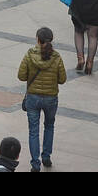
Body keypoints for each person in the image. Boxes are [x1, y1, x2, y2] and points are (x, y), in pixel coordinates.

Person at [17, 26, 66, 172]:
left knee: (33, 130)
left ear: (37, 39)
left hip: (33, 97)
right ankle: (46, 156)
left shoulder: (29, 55)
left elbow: (21, 76)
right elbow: (62, 79)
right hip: (51, 98)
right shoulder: (56, 57)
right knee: (49, 126)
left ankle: (35, 164)